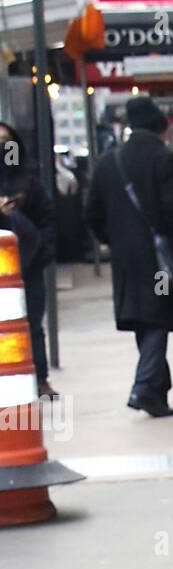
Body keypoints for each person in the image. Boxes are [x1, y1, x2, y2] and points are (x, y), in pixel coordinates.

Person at [84, 95, 173, 417]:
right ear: (159, 127)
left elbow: (91, 214)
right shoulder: (164, 157)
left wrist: (113, 240)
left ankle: (157, 391)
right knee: (157, 317)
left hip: (126, 259)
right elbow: (171, 210)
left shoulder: (108, 161)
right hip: (158, 261)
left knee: (144, 319)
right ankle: (144, 387)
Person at [0, 122, 57, 399]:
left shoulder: (29, 180)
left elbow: (47, 217)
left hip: (29, 263)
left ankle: (40, 378)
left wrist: (42, 249)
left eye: (7, 142)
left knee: (33, 323)